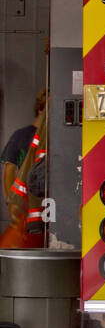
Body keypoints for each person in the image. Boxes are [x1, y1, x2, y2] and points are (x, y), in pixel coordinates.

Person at [1, 90, 47, 248]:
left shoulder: (52, 136)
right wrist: (12, 203)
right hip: (29, 208)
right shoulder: (21, 136)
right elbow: (9, 170)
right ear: (40, 109)